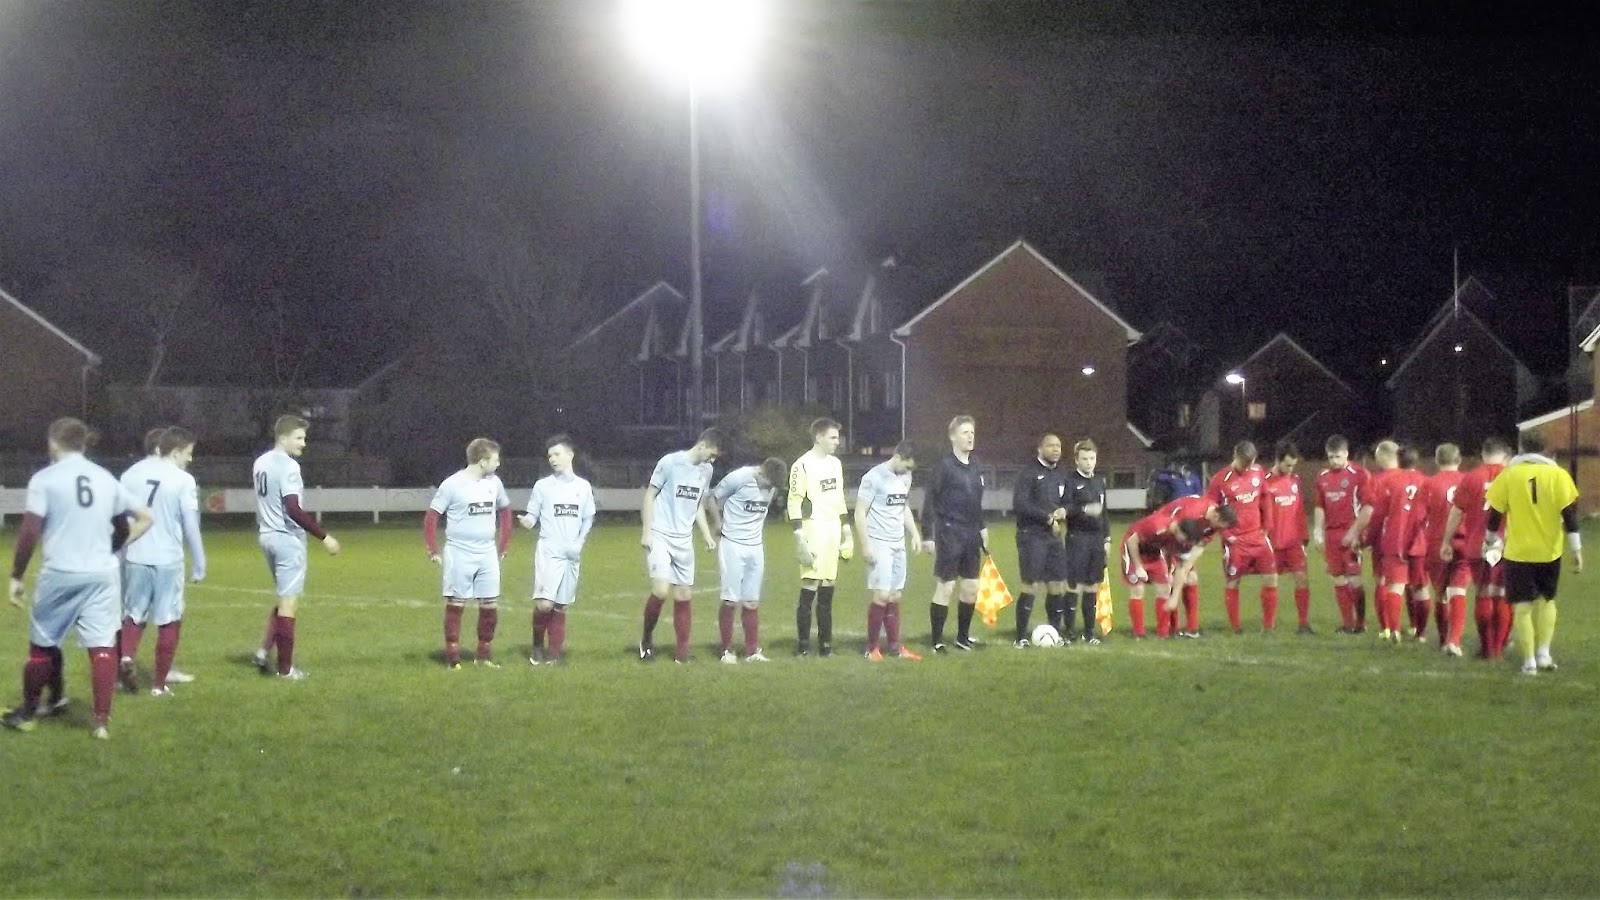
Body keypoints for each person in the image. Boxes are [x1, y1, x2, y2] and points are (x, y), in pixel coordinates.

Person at [4, 418, 152, 738]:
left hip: (60, 573)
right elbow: (136, 521)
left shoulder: (45, 479)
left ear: (53, 442)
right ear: (83, 444)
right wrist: (109, 549)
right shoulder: (105, 478)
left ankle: (29, 712)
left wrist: (16, 576)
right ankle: (100, 723)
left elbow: (30, 531)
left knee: (43, 645)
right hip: (102, 575)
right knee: (101, 646)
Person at [116, 426, 207, 695]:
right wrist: (199, 561)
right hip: (167, 558)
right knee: (169, 619)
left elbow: (120, 517)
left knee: (133, 615)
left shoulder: (129, 475)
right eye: (188, 453)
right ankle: (159, 685)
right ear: (175, 451)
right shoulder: (182, 480)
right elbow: (190, 524)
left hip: (135, 556)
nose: (190, 458)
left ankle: (126, 658)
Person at [1484, 430, 1582, 675]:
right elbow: (1569, 516)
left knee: (1522, 605)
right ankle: (1544, 654)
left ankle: (1529, 662)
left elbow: (1495, 513)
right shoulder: (1559, 475)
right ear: (1545, 447)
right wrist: (1576, 549)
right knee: (1547, 600)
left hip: (1518, 552)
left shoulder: (1509, 475)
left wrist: (1490, 539)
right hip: (1549, 551)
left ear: (1521, 447)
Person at [251, 415, 341, 680]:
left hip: (266, 536)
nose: (304, 443)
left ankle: (263, 651)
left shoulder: (261, 461)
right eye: (299, 438)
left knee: (283, 598)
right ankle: (285, 669)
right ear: (283, 438)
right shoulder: (289, 466)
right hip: (287, 539)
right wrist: (324, 537)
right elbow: (292, 509)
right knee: (289, 604)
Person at [424, 438, 512, 669]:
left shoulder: (494, 483)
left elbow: (505, 511)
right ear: (482, 461)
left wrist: (503, 545)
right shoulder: (452, 484)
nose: (498, 464)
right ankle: (453, 658)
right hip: (459, 551)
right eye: (495, 459)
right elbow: (432, 516)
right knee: (457, 602)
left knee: (490, 603)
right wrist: (433, 549)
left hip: (487, 552)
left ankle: (483, 655)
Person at [638, 428, 722, 663]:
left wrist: (706, 535)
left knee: (684, 594)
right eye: (711, 455)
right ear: (702, 445)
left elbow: (697, 504)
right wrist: (647, 532)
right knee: (661, 590)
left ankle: (682, 653)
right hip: (660, 534)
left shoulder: (706, 470)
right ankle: (646, 641)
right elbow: (649, 496)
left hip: (684, 539)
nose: (712, 461)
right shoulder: (670, 462)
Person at [521, 436, 596, 666]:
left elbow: (588, 517)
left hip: (571, 552)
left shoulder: (583, 487)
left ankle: (554, 654)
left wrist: (580, 542)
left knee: (561, 605)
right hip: (549, 549)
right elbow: (532, 515)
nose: (553, 459)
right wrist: (528, 522)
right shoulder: (543, 486)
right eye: (550, 455)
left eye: (557, 454)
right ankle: (537, 646)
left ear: (570, 455)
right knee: (545, 604)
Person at [920, 415, 989, 652]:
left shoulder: (976, 465)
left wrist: (982, 527)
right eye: (965, 432)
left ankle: (962, 638)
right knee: (946, 586)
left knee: (971, 587)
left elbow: (976, 501)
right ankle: (937, 641)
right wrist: (927, 535)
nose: (970, 437)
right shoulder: (944, 466)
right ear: (952, 437)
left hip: (971, 533)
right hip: (949, 532)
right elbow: (929, 501)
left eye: (972, 432)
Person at [1347, 440, 1425, 643]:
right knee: (1416, 584)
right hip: (1418, 540)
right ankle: (1417, 627)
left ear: (1382, 456)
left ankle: (1388, 628)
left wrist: (1365, 539)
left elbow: (1375, 514)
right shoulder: (1420, 479)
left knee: (1385, 582)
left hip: (1389, 539)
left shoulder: (1379, 480)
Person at [710, 456, 786, 663]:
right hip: (732, 544)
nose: (769, 488)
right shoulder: (739, 478)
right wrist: (717, 523)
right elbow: (712, 498)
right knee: (730, 599)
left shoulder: (772, 486)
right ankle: (726, 650)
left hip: (756, 546)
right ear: (761, 471)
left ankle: (752, 650)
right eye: (768, 483)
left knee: (752, 601)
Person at [1441, 436, 1512, 658]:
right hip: (1508, 543)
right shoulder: (1512, 476)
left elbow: (1456, 511)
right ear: (1505, 455)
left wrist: (1446, 540)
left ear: (1483, 454)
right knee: (1502, 594)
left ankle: (1486, 648)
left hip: (1477, 543)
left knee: (1483, 593)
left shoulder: (1471, 477)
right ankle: (1498, 649)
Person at [788, 418, 852, 657]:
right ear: (818, 437)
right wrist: (799, 536)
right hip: (813, 529)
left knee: (828, 587)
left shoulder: (836, 464)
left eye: (837, 437)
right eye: (833, 437)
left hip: (833, 530)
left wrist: (847, 532)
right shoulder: (802, 465)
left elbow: (839, 499)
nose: (837, 442)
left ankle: (826, 646)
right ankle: (803, 647)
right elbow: (794, 501)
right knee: (810, 586)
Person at [1130, 497, 1235, 637]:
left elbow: (1200, 545)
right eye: (1221, 526)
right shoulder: (1191, 513)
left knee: (1190, 578)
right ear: (1216, 516)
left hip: (1181, 542)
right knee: (1171, 579)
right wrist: (1179, 567)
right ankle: (1171, 627)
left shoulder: (1213, 522)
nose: (1220, 530)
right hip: (1164, 538)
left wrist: (1187, 566)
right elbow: (1173, 531)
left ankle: (1192, 628)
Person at [856, 442, 923, 660]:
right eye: (907, 466)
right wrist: (865, 544)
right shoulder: (873, 477)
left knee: (895, 595)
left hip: (898, 544)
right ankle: (871, 648)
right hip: (879, 543)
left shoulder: (905, 477)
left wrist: (915, 533)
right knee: (882, 595)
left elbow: (903, 507)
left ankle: (895, 647)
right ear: (898, 457)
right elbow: (859, 512)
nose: (908, 471)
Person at [1207, 441, 1279, 633]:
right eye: (1243, 463)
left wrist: (1267, 525)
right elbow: (1210, 511)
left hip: (1258, 536)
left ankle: (1269, 626)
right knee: (1233, 581)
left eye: (1250, 463)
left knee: (1271, 578)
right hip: (1236, 541)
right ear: (1235, 456)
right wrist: (1226, 534)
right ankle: (1235, 628)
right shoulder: (1220, 479)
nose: (1246, 468)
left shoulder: (1258, 471)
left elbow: (1265, 497)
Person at [1011, 434, 1068, 647]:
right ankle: (1020, 637)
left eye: (1058, 446)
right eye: (1051, 446)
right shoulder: (1028, 473)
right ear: (1040, 449)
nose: (1056, 449)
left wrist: (1065, 510)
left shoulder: (1061, 474)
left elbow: (1066, 501)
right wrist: (1047, 518)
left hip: (1053, 537)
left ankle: (1055, 633)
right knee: (1031, 584)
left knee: (1056, 585)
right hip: (1031, 535)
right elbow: (1020, 504)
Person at [1119, 511, 1213, 638]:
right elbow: (1132, 541)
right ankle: (1139, 633)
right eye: (1185, 539)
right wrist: (1139, 566)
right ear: (1179, 530)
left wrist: (1174, 595)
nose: (1185, 543)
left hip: (1155, 552)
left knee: (1164, 589)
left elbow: (1180, 568)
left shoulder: (1180, 540)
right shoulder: (1156, 526)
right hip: (1134, 550)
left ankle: (1163, 633)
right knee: (1137, 589)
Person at [1313, 434, 1371, 633]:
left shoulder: (1359, 474)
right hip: (1331, 535)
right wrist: (1318, 532)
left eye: (1337, 456)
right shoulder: (1322, 477)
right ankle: (1347, 624)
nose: (1334, 461)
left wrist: (1354, 533)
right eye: (1330, 457)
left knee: (1354, 579)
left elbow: (1367, 507)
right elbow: (1319, 506)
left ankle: (1361, 623)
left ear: (1346, 454)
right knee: (1338, 578)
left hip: (1351, 534)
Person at [1416, 443, 1466, 652]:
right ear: (1459, 460)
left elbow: (1419, 516)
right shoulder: (1467, 480)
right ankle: (1454, 640)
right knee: (1459, 590)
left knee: (1441, 593)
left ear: (1437, 461)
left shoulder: (1429, 484)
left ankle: (1444, 639)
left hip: (1436, 543)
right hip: (1464, 540)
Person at [1262, 441, 1313, 634]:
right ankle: (1268, 626)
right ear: (1277, 460)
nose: (1291, 469)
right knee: (1271, 582)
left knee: (1302, 579)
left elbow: (1299, 510)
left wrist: (1305, 535)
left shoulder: (1295, 481)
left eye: (1293, 465)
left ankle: (1303, 624)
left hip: (1294, 542)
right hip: (1272, 543)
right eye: (1287, 465)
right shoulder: (1265, 482)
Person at [1063, 439, 1111, 645]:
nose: (1089, 462)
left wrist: (1107, 538)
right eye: (1085, 459)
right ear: (1077, 460)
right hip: (1077, 538)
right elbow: (1065, 508)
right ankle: (1069, 631)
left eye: (1092, 458)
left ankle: (1089, 632)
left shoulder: (1100, 482)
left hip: (1096, 540)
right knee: (1074, 585)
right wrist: (1083, 509)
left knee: (1092, 585)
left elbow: (1104, 512)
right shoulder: (1070, 481)